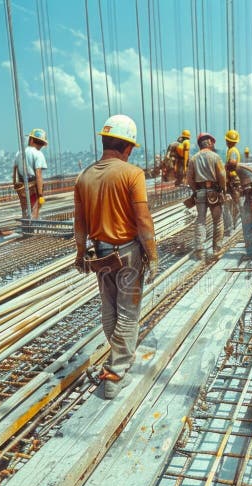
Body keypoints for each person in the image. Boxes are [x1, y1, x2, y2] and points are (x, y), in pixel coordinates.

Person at [73, 114, 158, 400]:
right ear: (128, 147)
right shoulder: (132, 174)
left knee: (108, 308)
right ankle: (116, 372)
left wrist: (80, 252)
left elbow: (80, 223)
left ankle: (117, 357)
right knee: (128, 313)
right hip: (128, 253)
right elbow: (143, 219)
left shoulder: (84, 177)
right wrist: (153, 254)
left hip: (100, 254)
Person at [186, 132, 227, 260]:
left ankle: (199, 250)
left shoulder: (193, 159)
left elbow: (189, 178)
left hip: (200, 193)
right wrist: (223, 189)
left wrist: (196, 190)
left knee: (201, 221)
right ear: (209, 142)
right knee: (218, 220)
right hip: (214, 192)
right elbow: (222, 175)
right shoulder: (215, 157)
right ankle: (217, 249)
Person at [13, 128, 48, 219]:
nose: (41, 146)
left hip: (21, 186)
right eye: (41, 144)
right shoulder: (38, 154)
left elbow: (15, 170)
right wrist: (40, 194)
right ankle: (33, 227)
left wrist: (16, 186)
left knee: (24, 208)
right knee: (35, 207)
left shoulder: (19, 153)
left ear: (31, 139)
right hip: (33, 186)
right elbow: (38, 174)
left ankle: (26, 227)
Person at [223, 129, 242, 233]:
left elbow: (232, 163)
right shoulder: (232, 150)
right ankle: (233, 224)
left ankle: (231, 226)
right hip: (233, 180)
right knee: (234, 203)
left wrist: (225, 168)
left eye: (227, 140)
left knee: (231, 204)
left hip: (233, 180)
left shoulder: (233, 151)